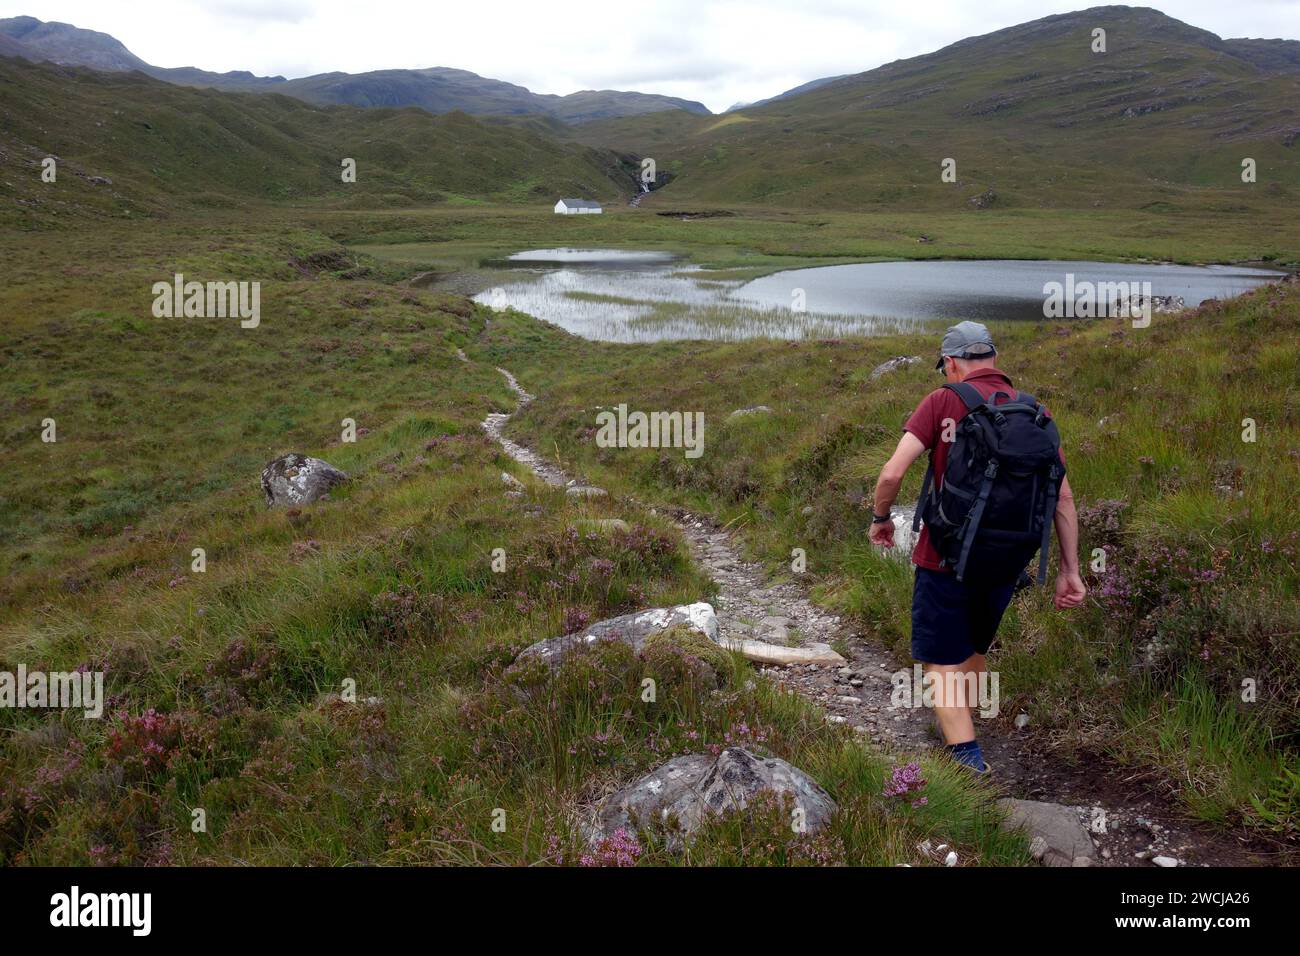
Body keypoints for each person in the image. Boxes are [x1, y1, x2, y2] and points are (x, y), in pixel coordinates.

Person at [868, 321, 1087, 773]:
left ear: (951, 363)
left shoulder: (941, 401)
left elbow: (892, 474)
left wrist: (881, 518)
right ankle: (964, 727)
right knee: (972, 647)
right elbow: (1061, 497)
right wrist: (1070, 569)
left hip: (943, 555)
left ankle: (967, 763)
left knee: (939, 658)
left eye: (945, 367)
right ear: (992, 359)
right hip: (1008, 559)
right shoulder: (1034, 413)